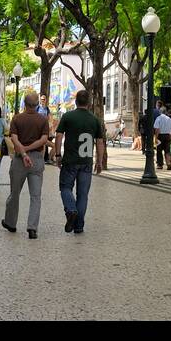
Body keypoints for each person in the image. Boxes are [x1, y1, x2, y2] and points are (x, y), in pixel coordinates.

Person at [54, 90, 105, 235]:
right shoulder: (95, 120)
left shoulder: (68, 116)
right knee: (83, 194)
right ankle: (79, 226)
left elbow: (58, 136)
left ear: (76, 101)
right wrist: (99, 161)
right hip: (86, 162)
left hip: (70, 161)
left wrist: (58, 154)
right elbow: (100, 142)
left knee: (65, 188)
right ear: (89, 102)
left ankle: (71, 210)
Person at [2, 92, 50, 239]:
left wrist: (23, 152)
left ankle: (11, 223)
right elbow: (43, 140)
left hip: (19, 160)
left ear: (24, 103)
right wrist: (29, 150)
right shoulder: (43, 120)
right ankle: (32, 228)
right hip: (36, 159)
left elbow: (14, 139)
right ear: (37, 105)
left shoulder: (17, 119)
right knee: (35, 196)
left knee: (14, 193)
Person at [152, 104, 171, 170]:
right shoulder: (169, 119)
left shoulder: (158, 118)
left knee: (159, 150)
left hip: (160, 136)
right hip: (167, 135)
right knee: (167, 150)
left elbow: (157, 129)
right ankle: (169, 163)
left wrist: (156, 138)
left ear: (160, 112)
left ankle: (160, 164)